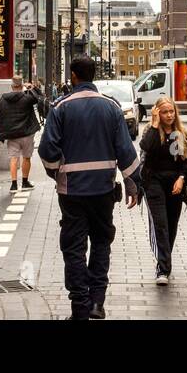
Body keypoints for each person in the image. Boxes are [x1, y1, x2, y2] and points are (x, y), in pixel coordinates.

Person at [38, 56, 142, 320]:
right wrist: (132, 183)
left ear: (73, 75)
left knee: (73, 248)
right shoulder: (111, 107)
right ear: (93, 75)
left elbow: (47, 150)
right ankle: (97, 302)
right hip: (104, 190)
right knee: (100, 243)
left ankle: (80, 306)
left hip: (71, 191)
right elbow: (126, 151)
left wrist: (56, 173)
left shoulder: (60, 107)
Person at [137, 95, 187, 285]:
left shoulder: (181, 134)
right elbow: (146, 148)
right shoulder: (151, 132)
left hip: (175, 183)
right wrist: (154, 124)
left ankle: (164, 261)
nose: (169, 115)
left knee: (171, 225)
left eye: (171, 111)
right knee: (160, 225)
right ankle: (163, 269)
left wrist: (181, 178)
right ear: (157, 113)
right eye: (164, 112)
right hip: (153, 182)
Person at [0, 76, 47, 192]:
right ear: (22, 85)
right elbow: (41, 98)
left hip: (12, 134)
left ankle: (13, 185)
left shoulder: (3, 99)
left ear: (12, 86)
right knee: (26, 158)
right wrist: (32, 88)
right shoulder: (27, 98)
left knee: (13, 158)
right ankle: (25, 182)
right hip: (27, 133)